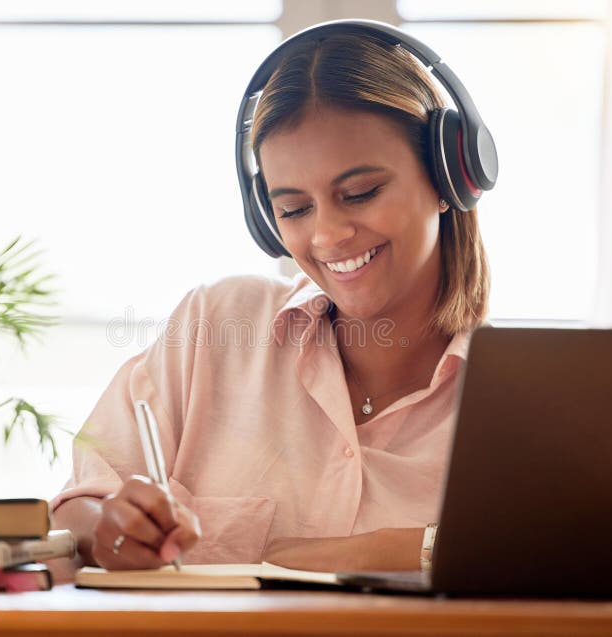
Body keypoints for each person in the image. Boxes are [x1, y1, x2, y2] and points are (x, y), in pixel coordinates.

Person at [50, 20, 494, 575]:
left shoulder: (519, 405)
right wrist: (106, 527)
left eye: (359, 193)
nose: (328, 237)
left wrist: (392, 550)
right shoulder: (212, 327)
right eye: (295, 209)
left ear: (450, 176)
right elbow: (75, 512)